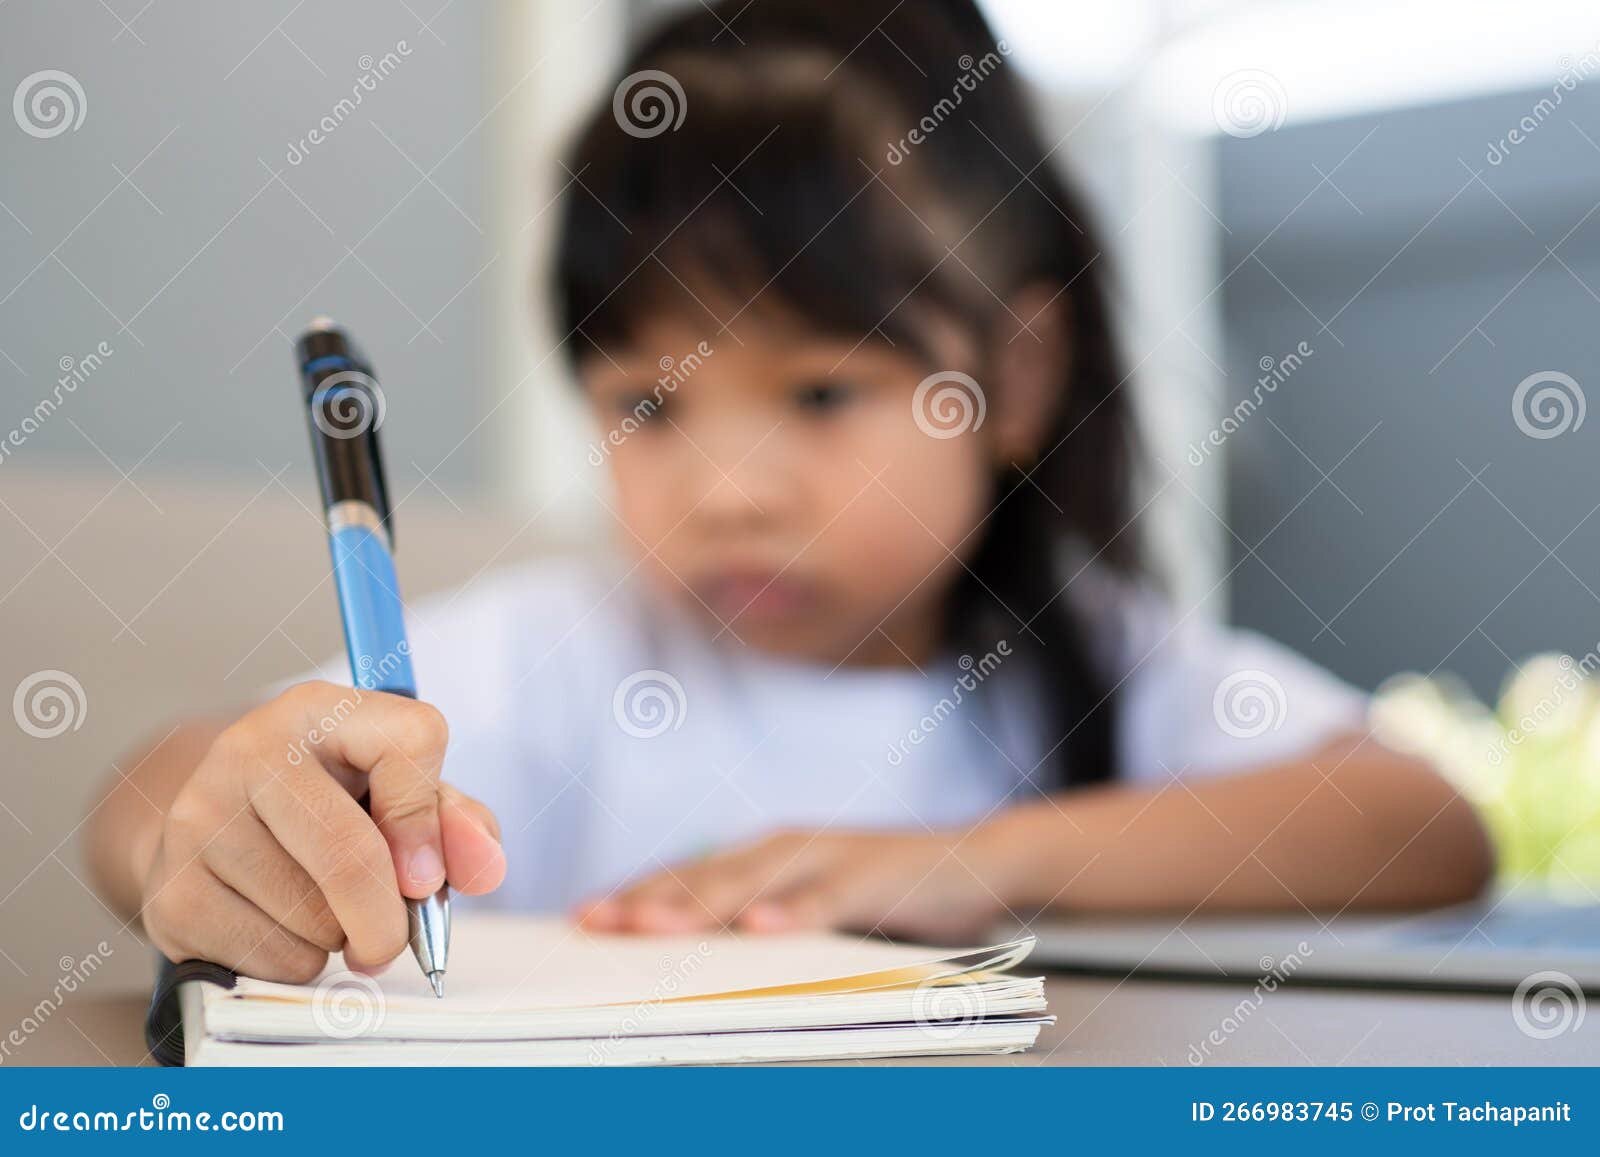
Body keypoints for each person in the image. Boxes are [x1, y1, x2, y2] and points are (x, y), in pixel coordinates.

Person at [84, 0, 1492, 982]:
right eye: (649, 404)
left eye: (822, 393)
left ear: (1018, 368)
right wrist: (204, 825)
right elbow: (151, 794)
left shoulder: (1093, 657)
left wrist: (978, 861)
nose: (731, 490)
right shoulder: (562, 656)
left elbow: (1425, 825)